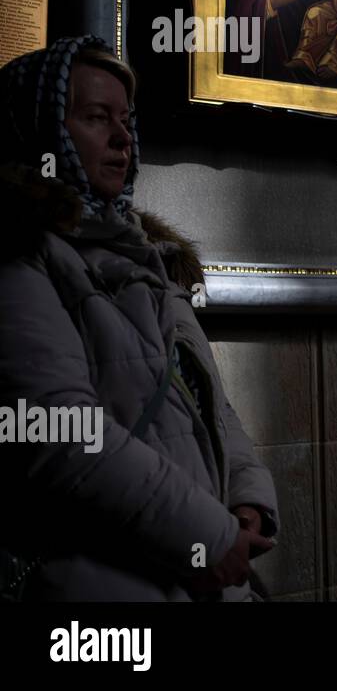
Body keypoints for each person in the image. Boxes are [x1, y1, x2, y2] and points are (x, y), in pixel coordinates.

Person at [0, 36, 278, 601]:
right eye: (97, 118)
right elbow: (61, 435)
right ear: (42, 128)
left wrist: (246, 500)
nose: (123, 138)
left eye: (125, 119)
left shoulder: (147, 256)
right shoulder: (18, 254)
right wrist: (205, 534)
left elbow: (207, 400)